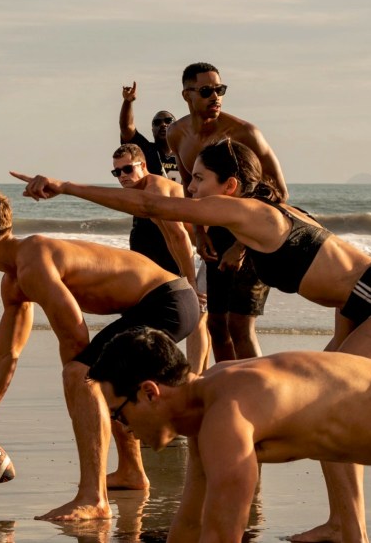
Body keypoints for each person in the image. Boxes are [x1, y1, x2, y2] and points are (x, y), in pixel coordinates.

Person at [14, 139, 371, 541]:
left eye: (199, 179)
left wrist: (67, 187)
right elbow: (337, 271)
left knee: (335, 407)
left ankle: (349, 529)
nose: (190, 188)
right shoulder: (257, 217)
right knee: (327, 406)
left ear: (230, 186)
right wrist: (238, 247)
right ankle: (342, 523)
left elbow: (152, 206)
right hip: (360, 303)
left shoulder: (248, 212)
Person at [0, 187, 199, 520]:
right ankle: (131, 472)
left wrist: (79, 391)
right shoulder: (14, 280)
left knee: (81, 375)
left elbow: (75, 339)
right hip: (158, 303)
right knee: (93, 379)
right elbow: (5, 354)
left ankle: (93, 498)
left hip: (168, 302)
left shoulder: (33, 260)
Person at [89, 326, 371, 543]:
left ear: (150, 393)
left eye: (119, 413)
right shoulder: (206, 406)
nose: (123, 427)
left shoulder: (226, 416)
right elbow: (190, 525)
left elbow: (223, 535)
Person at [167, 62, 286, 363]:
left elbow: (280, 192)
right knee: (216, 324)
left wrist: (240, 245)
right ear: (187, 95)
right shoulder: (177, 133)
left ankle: (256, 386)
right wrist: (199, 232)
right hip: (218, 232)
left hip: (253, 231)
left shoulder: (244, 133)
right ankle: (228, 383)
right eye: (207, 91)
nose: (215, 97)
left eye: (220, 89)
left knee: (240, 325)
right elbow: (189, 187)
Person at [110, 144, 209, 374]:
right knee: (200, 314)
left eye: (128, 169)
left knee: (198, 313)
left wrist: (190, 282)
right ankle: (199, 376)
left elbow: (179, 237)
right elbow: (171, 238)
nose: (122, 176)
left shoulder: (154, 190)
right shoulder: (141, 192)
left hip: (216, 246)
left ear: (143, 165)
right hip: (202, 249)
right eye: (117, 172)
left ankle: (195, 378)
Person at [119, 81, 179, 181]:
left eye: (168, 121)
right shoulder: (145, 150)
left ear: (177, 126)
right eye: (157, 122)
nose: (163, 124)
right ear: (152, 130)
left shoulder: (186, 153)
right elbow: (126, 127)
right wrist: (127, 102)